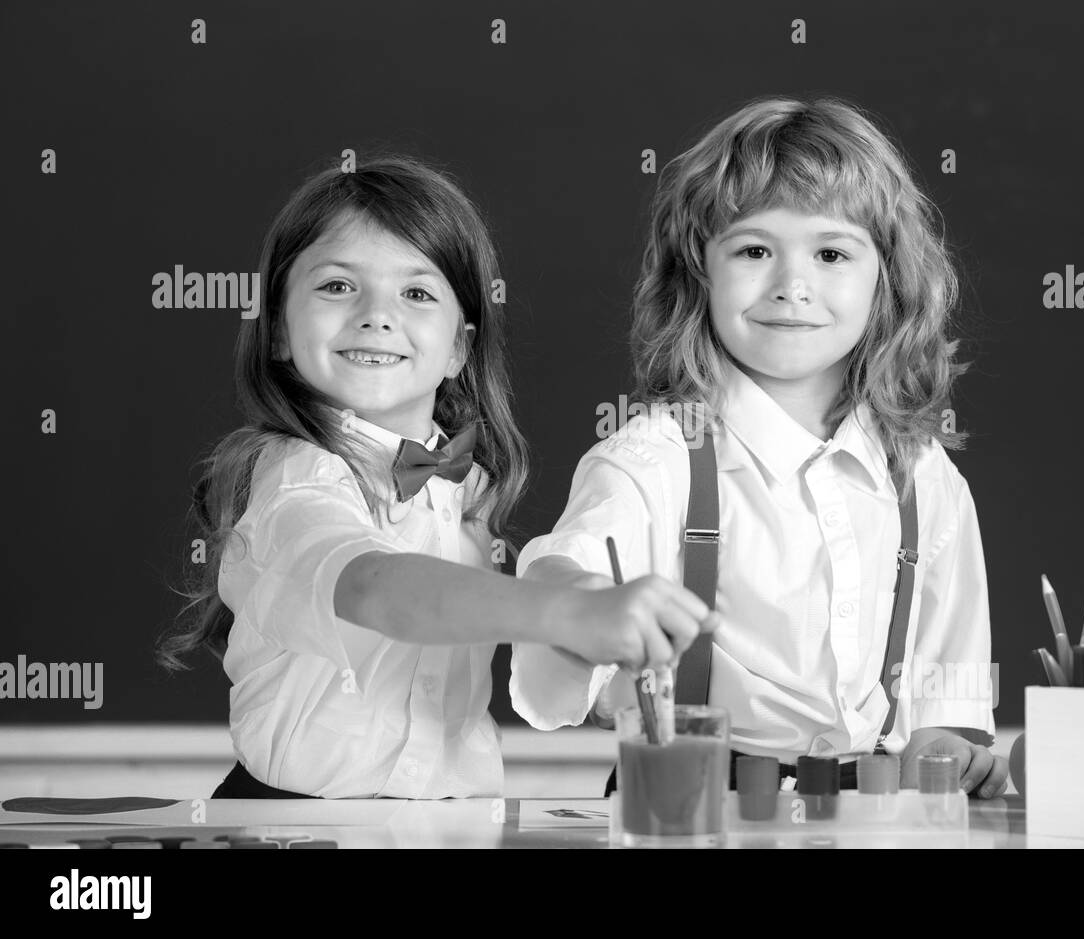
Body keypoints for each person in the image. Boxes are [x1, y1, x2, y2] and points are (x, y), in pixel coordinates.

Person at [158, 154, 714, 799]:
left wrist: (608, 654)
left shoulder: (462, 489)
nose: (376, 314)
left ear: (458, 348)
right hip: (296, 823)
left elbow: (473, 640)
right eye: (338, 286)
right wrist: (568, 610)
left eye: (417, 293)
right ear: (280, 329)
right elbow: (376, 589)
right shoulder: (291, 477)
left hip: (446, 818)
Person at [510, 97, 1008, 799]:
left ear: (887, 281)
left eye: (831, 253)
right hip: (685, 807)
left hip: (870, 816)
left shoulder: (924, 476)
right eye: (753, 250)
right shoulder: (656, 459)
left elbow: (939, 712)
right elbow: (556, 611)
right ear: (698, 273)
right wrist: (578, 603)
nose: (792, 286)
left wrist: (951, 753)